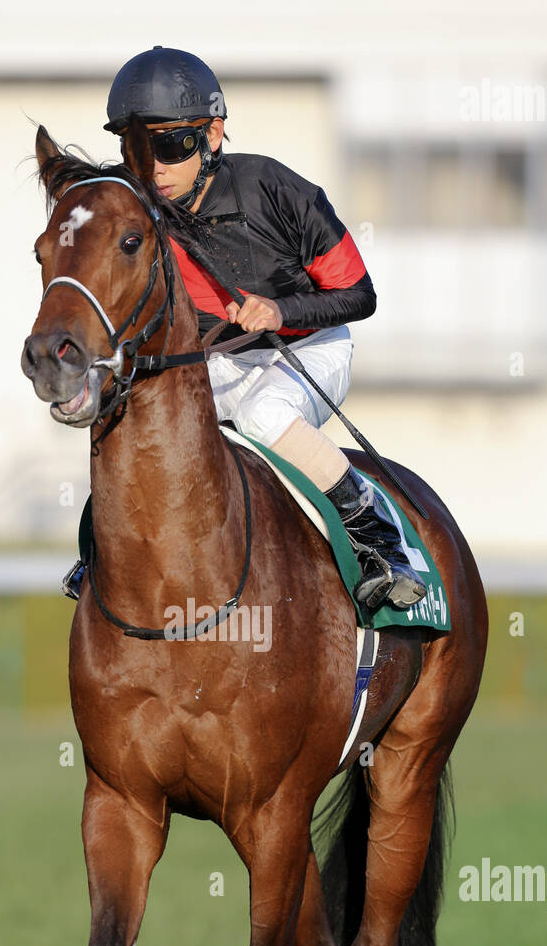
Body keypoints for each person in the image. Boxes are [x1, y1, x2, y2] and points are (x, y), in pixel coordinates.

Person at [103, 46, 426, 611]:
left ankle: (379, 540)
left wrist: (281, 311)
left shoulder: (275, 189)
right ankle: (105, 559)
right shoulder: (137, 208)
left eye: (172, 146)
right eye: (137, 149)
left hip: (309, 348)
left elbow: (360, 295)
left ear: (215, 134)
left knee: (262, 415)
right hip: (220, 359)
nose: (154, 168)